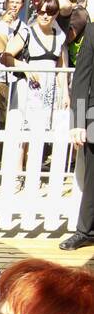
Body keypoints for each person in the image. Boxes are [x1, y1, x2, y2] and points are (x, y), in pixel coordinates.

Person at [4, 0, 67, 129]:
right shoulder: (27, 32)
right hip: (28, 90)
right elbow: (5, 57)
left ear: (55, 14)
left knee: (44, 133)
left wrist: (65, 94)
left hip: (50, 92)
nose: (45, 16)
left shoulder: (60, 37)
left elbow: (61, 69)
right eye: (41, 12)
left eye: (49, 13)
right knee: (24, 134)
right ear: (36, 12)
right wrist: (24, 67)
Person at [62, 13, 94, 249]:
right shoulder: (92, 32)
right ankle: (86, 231)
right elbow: (82, 78)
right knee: (92, 178)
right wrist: (77, 121)